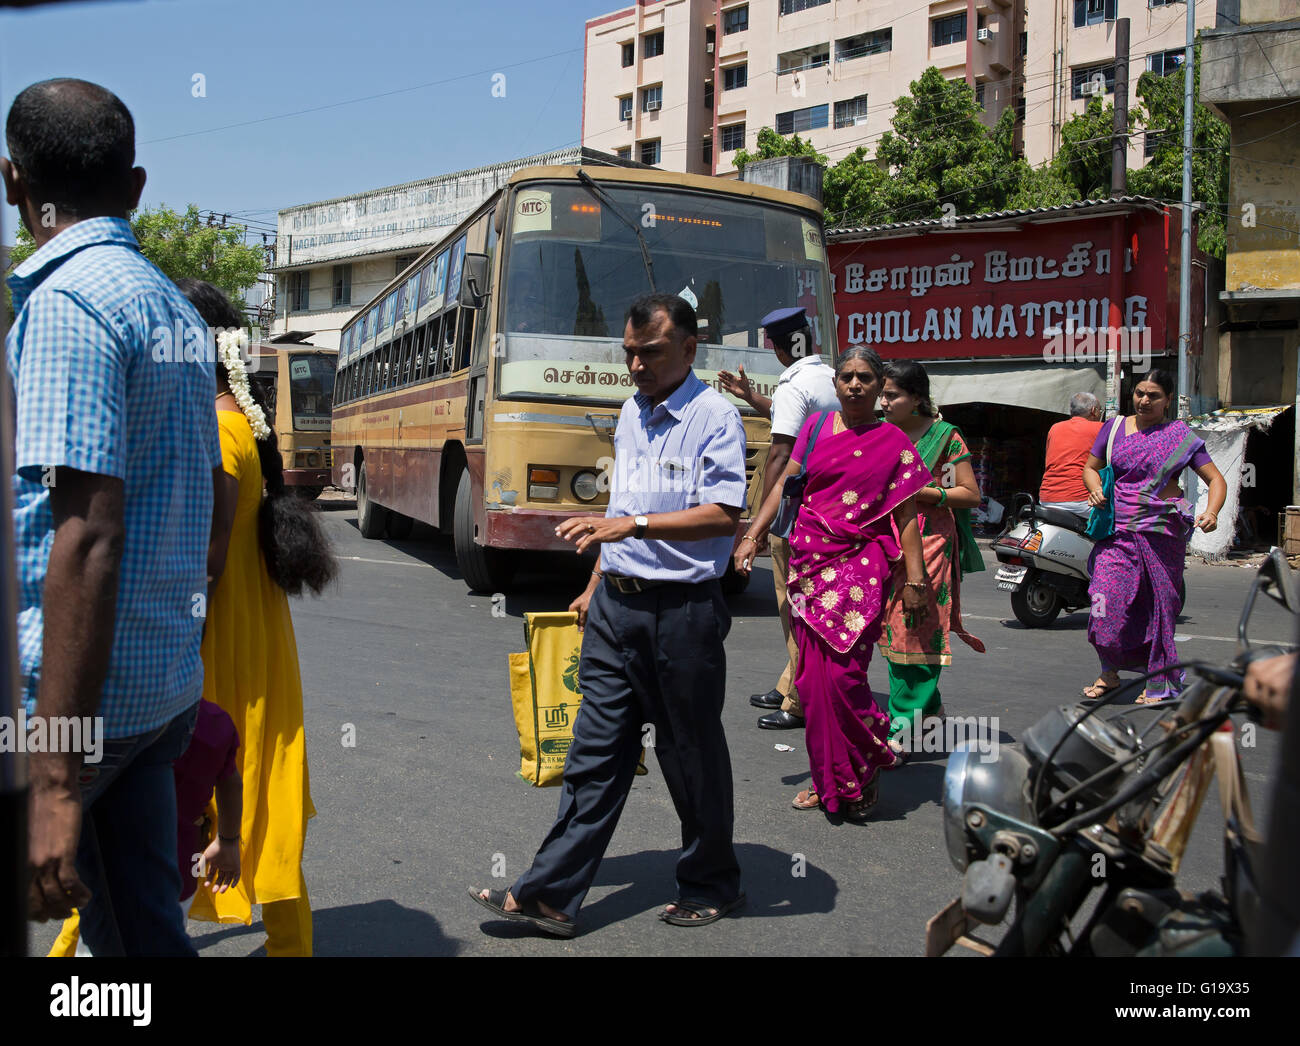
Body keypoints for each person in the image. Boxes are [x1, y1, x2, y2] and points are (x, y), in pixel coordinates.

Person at [5, 79, 221, 955]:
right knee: (139, 932)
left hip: (74, 717)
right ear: (135, 189)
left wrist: (54, 777)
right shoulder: (172, 308)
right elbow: (199, 498)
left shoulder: (68, 305)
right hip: (155, 691)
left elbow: (88, 536)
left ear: (12, 182)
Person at [470, 292, 747, 936]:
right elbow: (618, 507)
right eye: (628, 353)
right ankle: (550, 895)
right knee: (595, 753)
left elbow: (723, 515)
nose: (636, 365)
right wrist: (597, 577)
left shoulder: (714, 418)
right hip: (616, 611)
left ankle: (712, 882)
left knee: (689, 755)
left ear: (687, 348)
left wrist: (634, 525)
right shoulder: (630, 413)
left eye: (649, 352)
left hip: (683, 614)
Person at [177, 279, 336, 956]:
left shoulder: (214, 429)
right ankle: (290, 945)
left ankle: (78, 952)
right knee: (258, 781)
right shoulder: (242, 423)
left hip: (218, 643)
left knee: (150, 807)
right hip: (257, 636)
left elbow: (205, 560)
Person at [735, 346, 930, 818]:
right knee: (811, 682)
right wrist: (753, 533)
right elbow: (784, 485)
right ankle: (829, 783)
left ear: (881, 384)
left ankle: (862, 773)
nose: (856, 385)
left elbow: (905, 515)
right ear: (836, 383)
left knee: (843, 679)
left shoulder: (894, 442)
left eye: (866, 377)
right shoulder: (817, 428)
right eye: (847, 377)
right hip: (808, 565)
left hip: (860, 569)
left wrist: (916, 580)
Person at [718, 306, 840, 731]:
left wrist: (760, 516)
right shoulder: (827, 377)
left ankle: (800, 700)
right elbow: (799, 418)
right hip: (829, 507)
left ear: (778, 347)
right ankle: (789, 680)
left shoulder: (793, 385)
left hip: (795, 510)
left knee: (793, 607)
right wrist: (751, 396)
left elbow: (782, 453)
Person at [49, 699, 244, 957]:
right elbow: (231, 782)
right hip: (178, 874)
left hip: (108, 878)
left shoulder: (107, 722)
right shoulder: (213, 721)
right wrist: (228, 841)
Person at [1080, 369, 1227, 704]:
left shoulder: (1179, 436)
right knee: (1104, 607)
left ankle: (1157, 680)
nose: (1144, 400)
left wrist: (1212, 512)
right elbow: (1091, 467)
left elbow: (1216, 480)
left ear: (1169, 400)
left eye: (1154, 395)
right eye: (1140, 393)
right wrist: (1093, 490)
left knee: (1158, 610)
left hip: (1161, 535)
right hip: (1116, 533)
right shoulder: (1114, 428)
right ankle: (1109, 669)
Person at [876, 360, 986, 762]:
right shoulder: (879, 434)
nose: (883, 402)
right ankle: (930, 710)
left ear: (917, 398)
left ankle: (902, 729)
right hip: (885, 542)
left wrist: (928, 494)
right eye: (882, 394)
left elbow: (970, 494)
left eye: (892, 395)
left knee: (915, 627)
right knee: (892, 633)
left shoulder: (945, 436)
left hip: (930, 542)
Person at [1040, 392, 1104, 516]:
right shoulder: (1100, 428)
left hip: (1047, 499)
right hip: (1081, 501)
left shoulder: (1055, 428)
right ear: (1094, 410)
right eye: (1100, 411)